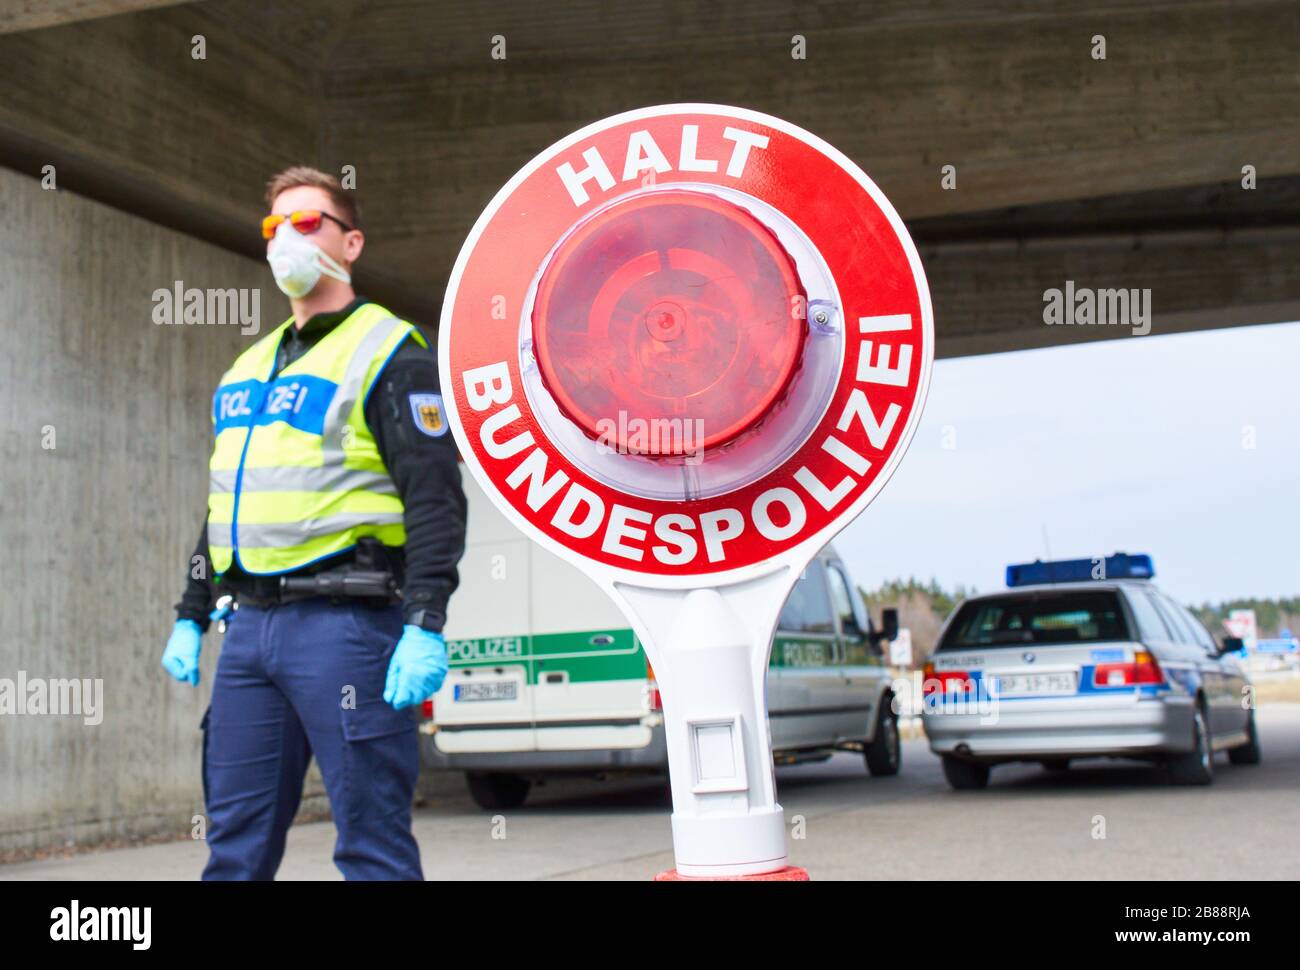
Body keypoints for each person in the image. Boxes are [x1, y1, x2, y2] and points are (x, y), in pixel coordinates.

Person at [160, 166, 466, 880]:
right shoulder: (245, 368)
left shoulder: (390, 352)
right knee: (232, 848)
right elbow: (228, 505)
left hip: (348, 627)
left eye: (307, 223)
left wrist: (425, 620)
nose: (285, 240)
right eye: (274, 227)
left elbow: (434, 497)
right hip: (249, 636)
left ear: (350, 242)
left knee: (371, 845)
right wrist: (191, 612)